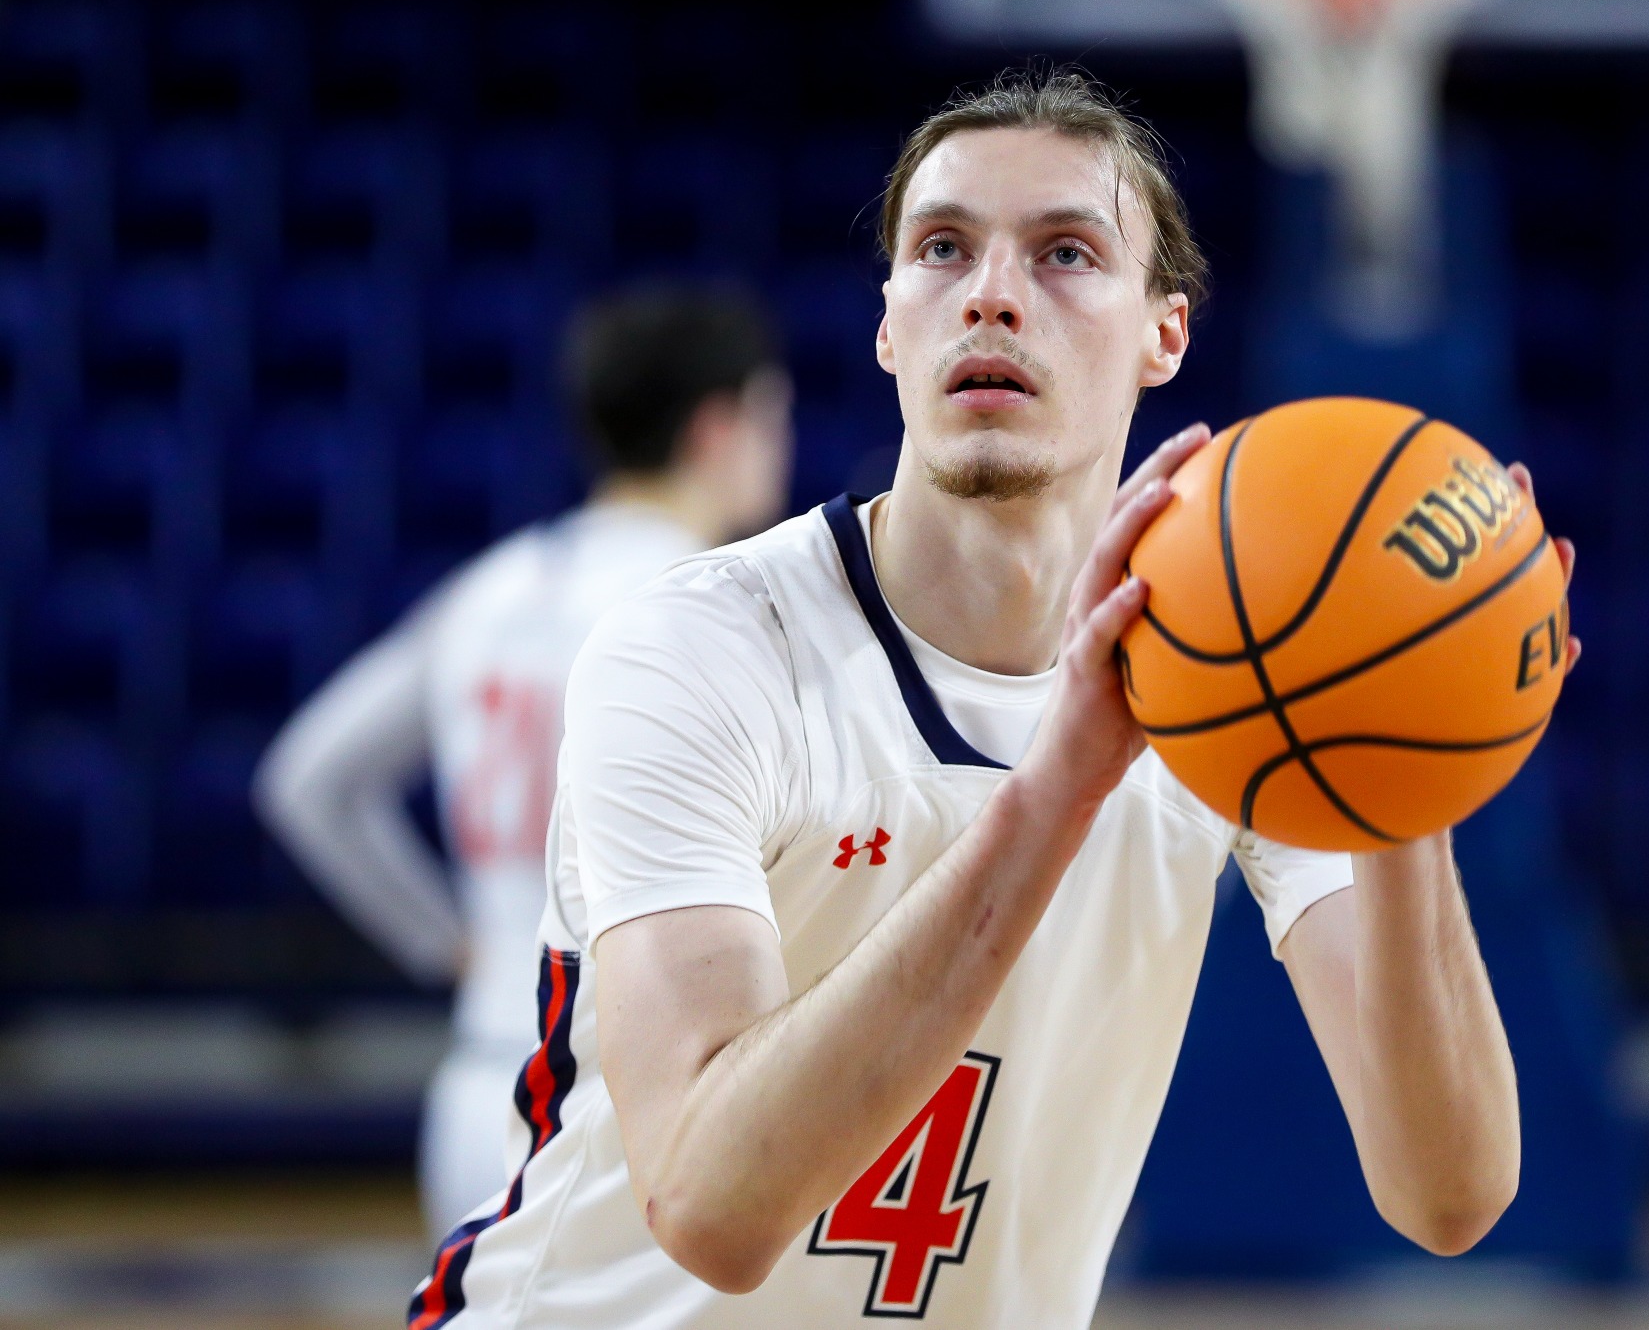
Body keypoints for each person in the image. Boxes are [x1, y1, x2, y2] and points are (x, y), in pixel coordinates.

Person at [409, 68, 1577, 1329]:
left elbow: (1447, 1194)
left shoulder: (1237, 672)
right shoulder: (701, 643)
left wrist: (1413, 742)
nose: (991, 293)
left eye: (1065, 252)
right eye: (942, 249)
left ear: (1163, 333)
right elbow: (713, 1207)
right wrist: (1058, 784)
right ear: (889, 326)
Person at [255, 286, 793, 1240]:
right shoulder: (703, 602)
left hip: (473, 1079)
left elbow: (308, 781)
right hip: (609, 1092)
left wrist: (445, 937)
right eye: (771, 415)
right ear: (721, 425)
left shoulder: (491, 586)